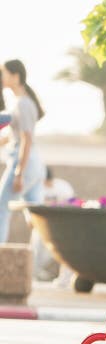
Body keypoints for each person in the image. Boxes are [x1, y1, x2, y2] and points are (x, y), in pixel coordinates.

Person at [0, 60, 46, 243]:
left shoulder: (23, 104)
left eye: (3, 73)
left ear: (15, 76)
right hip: (33, 164)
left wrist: (19, 172)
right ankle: (36, 264)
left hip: (24, 163)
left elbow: (27, 139)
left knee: (2, 209)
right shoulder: (20, 102)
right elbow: (15, 137)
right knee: (37, 220)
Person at [32, 167, 75, 283]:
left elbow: (71, 203)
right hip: (42, 223)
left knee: (64, 251)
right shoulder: (37, 187)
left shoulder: (62, 186)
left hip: (61, 223)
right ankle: (33, 274)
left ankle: (65, 278)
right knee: (36, 247)